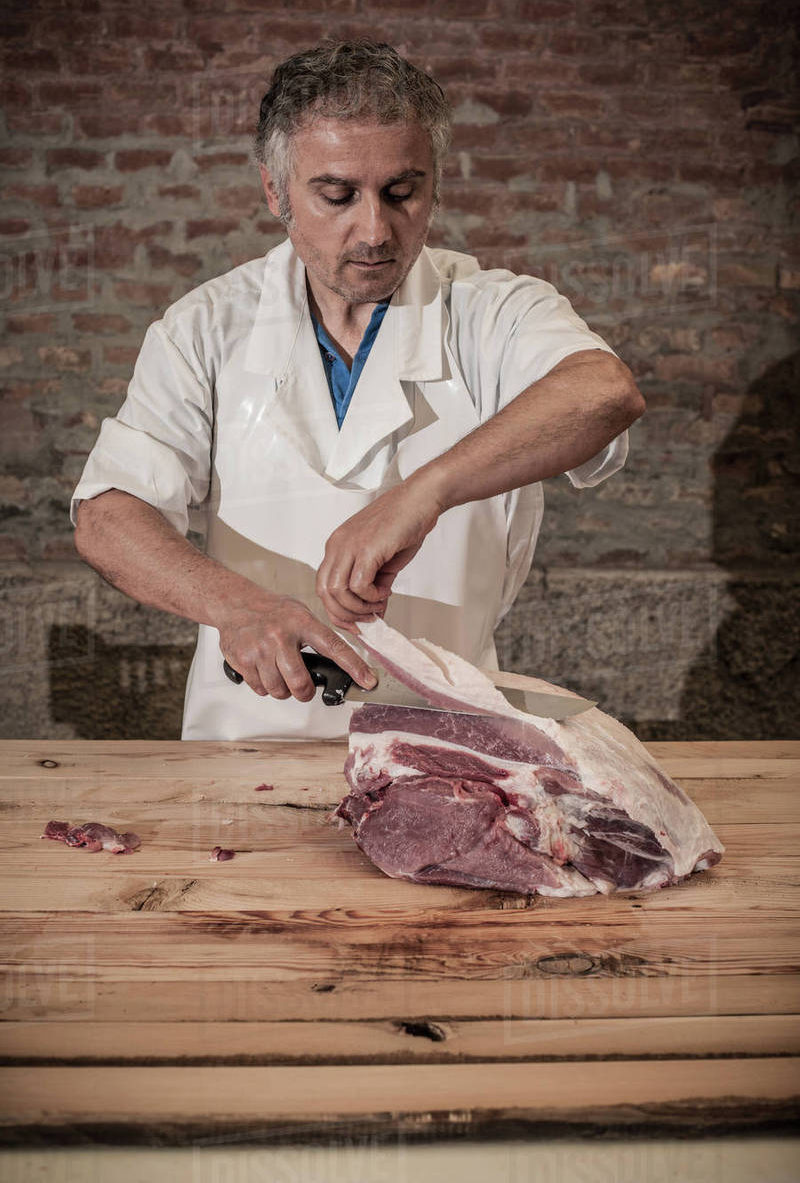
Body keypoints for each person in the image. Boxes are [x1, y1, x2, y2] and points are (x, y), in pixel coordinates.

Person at [72, 41, 645, 740]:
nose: (375, 231)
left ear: (435, 185)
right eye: (337, 196)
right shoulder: (203, 328)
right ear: (275, 192)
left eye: (402, 193)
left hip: (448, 747)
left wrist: (421, 495)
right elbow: (108, 515)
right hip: (244, 745)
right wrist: (236, 606)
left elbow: (603, 391)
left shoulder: (493, 311)